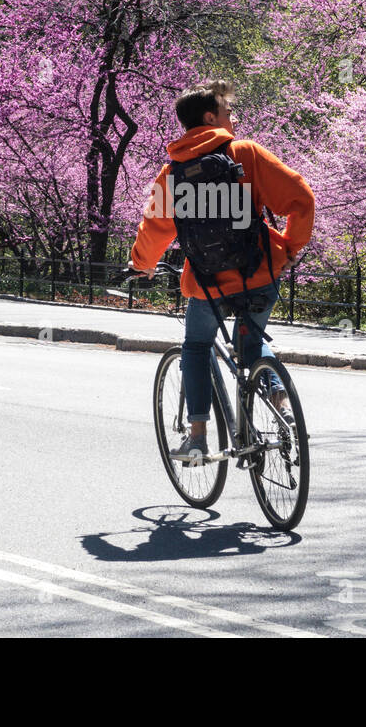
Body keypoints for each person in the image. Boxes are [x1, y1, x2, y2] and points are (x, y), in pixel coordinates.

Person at [130, 80, 315, 463]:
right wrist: (291, 247)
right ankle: (282, 406)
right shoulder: (244, 153)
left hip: (206, 283)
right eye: (228, 112)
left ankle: (197, 438)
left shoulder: (172, 174)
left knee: (197, 346)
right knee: (252, 339)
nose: (233, 118)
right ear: (210, 117)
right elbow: (301, 198)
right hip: (260, 273)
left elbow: (155, 229)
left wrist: (142, 264)